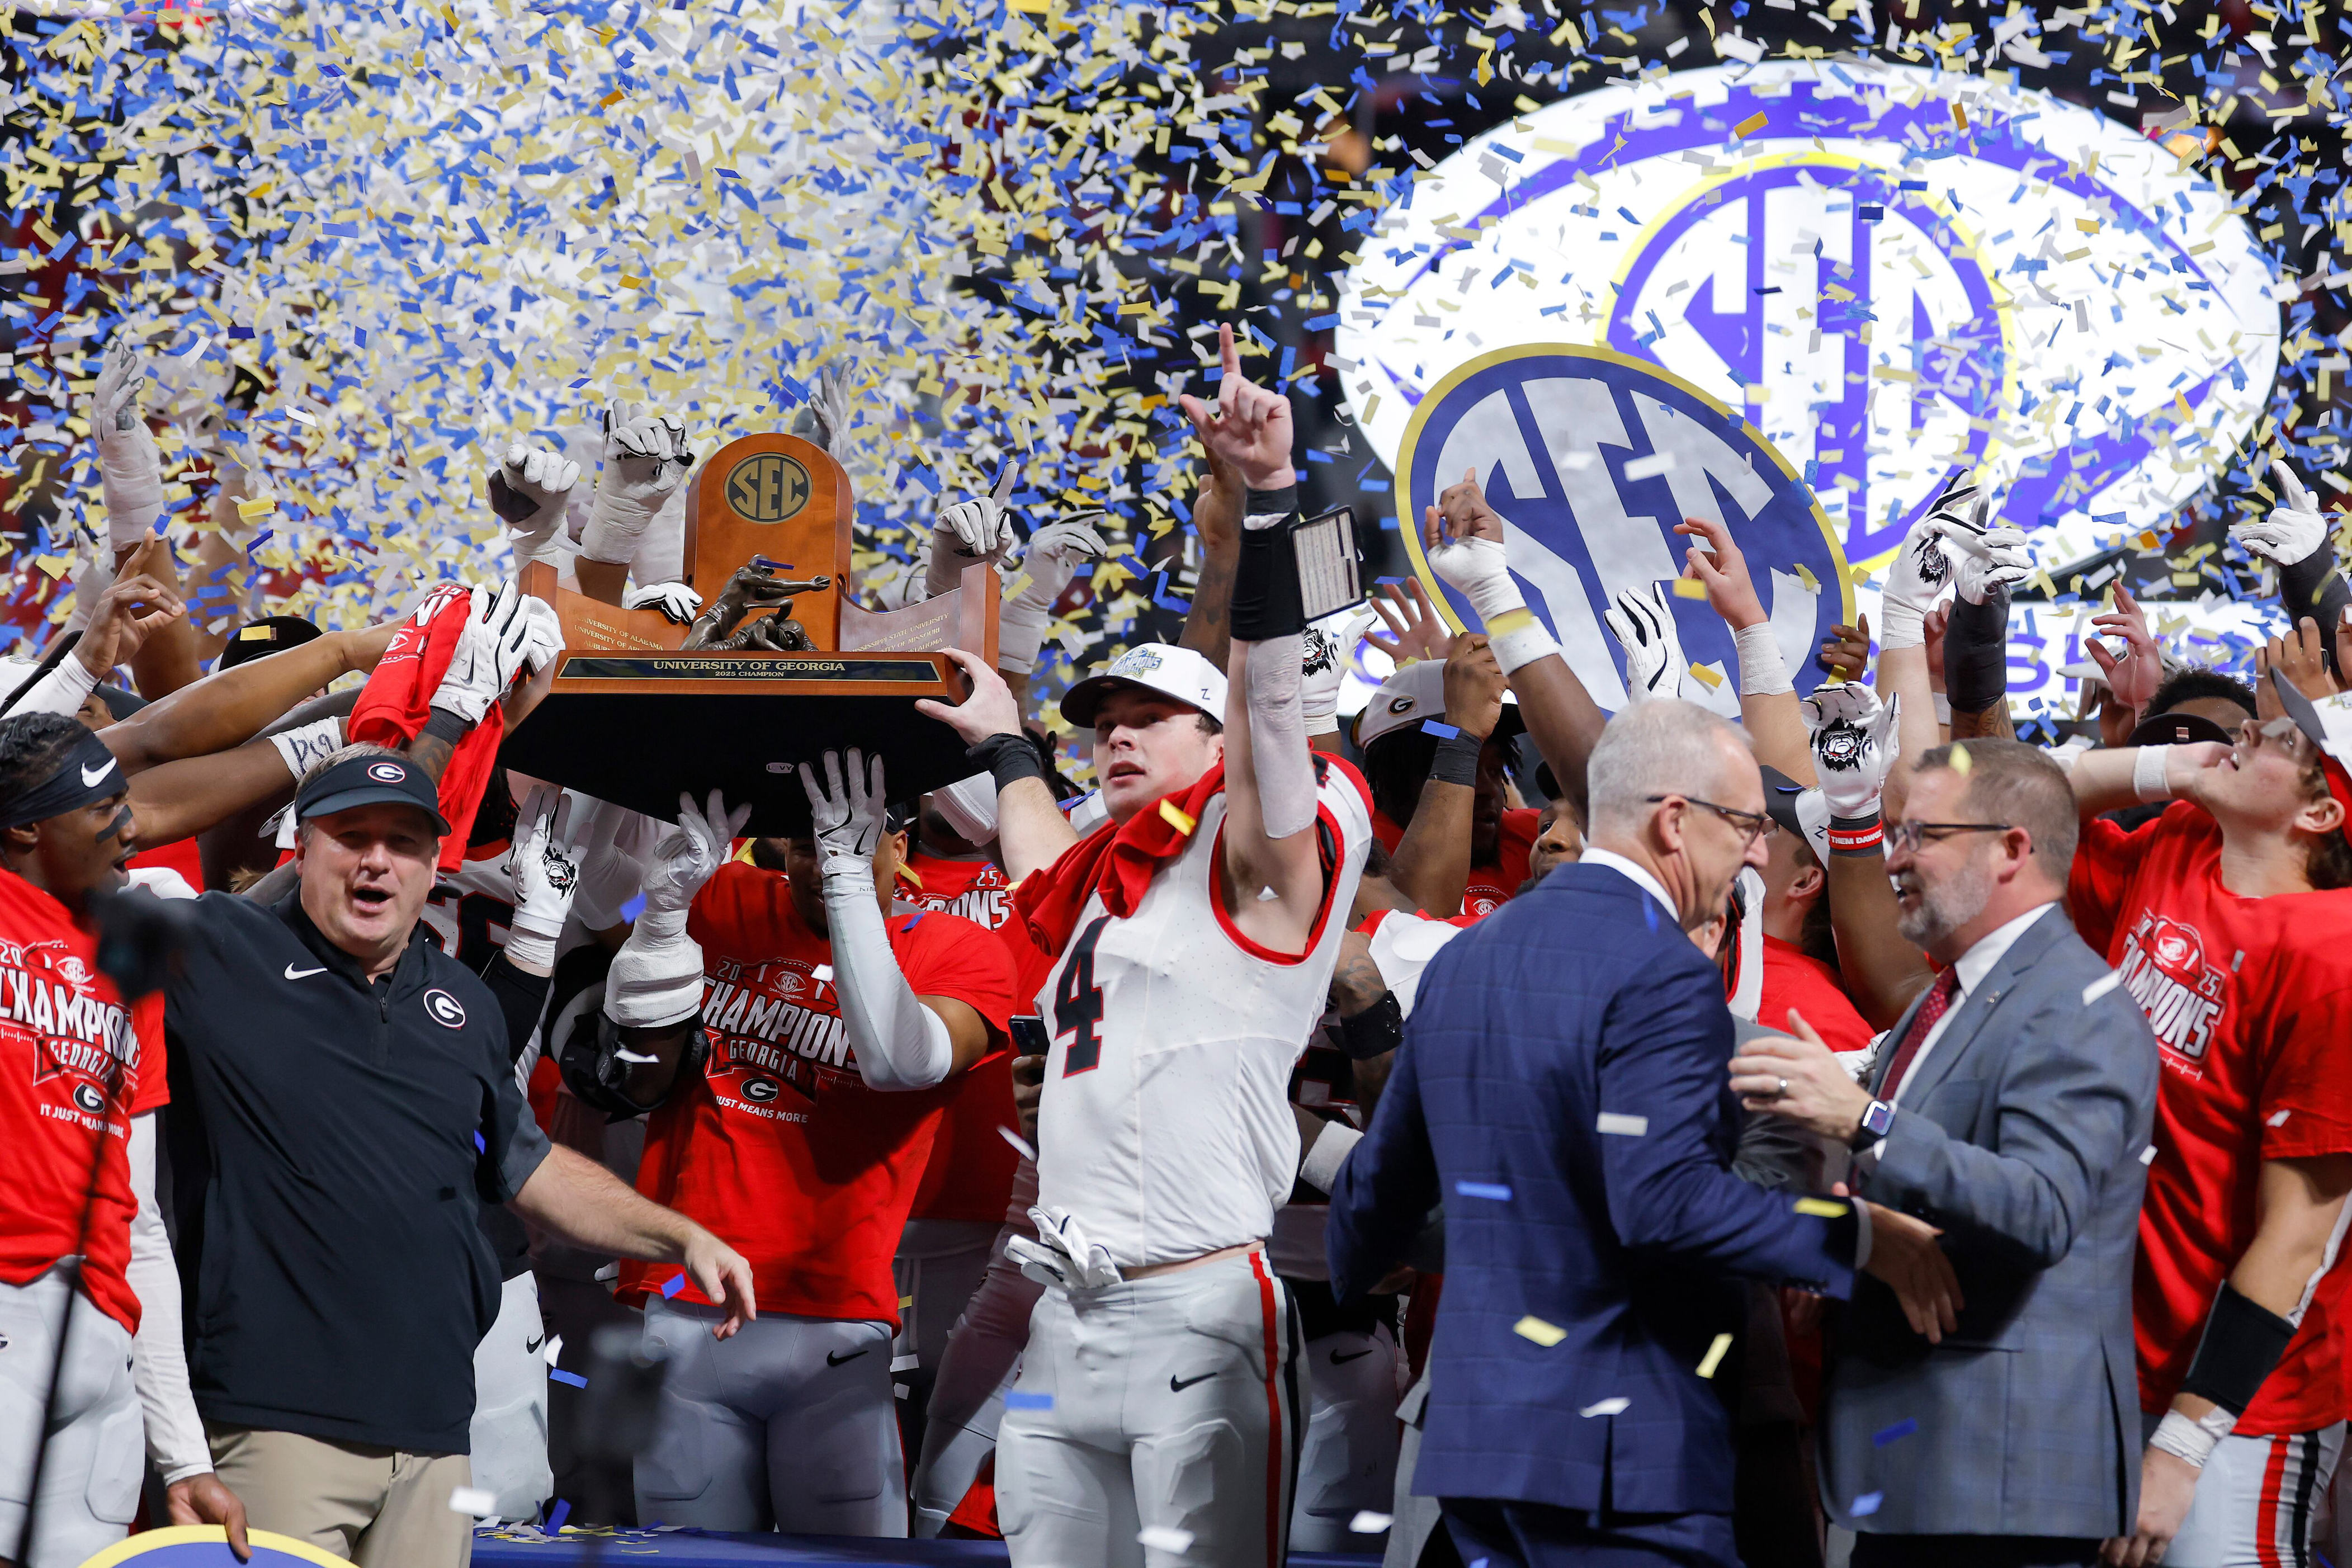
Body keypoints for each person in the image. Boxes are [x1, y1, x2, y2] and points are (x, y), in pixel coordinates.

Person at [917, 322, 1373, 1567]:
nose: (1118, 735)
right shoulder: (1099, 877)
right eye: (1105, 719)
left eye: (1151, 718)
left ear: (1213, 744)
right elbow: (1029, 851)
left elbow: (1271, 701)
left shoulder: (1265, 857)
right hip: (1064, 1318)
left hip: (1196, 1306)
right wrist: (1009, 738)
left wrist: (1271, 498)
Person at [160, 635, 754, 1568]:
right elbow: (125, 800)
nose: (377, 865)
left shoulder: (460, 1001)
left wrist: (676, 1235)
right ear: (299, 847)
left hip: (437, 1431)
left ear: (435, 864)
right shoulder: (217, 951)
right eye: (350, 838)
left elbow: (524, 1161)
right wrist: (418, 703)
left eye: (403, 844)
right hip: (273, 1426)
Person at [1327, 698, 1956, 1568]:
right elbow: (1662, 1204)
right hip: (1619, 1459)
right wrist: (1857, 1237)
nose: (1758, 850)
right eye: (1742, 824)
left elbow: (1371, 1199)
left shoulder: (1470, 955)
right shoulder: (1662, 972)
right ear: (1672, 822)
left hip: (1480, 1447)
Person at [1731, 734, 2159, 1567]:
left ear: (2011, 849)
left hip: (2003, 1480)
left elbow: (2041, 1210)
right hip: (1931, 1464)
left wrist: (1865, 1121)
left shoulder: (2076, 1005)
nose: (1895, 858)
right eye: (1895, 833)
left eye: (1922, 835)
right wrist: (1853, 1239)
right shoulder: (1951, 993)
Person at [570, 758, 1012, 1538]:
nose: (821, 860)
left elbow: (904, 1063)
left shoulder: (958, 949)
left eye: (851, 840)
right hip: (685, 1300)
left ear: (901, 848)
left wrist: (848, 892)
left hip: (833, 1315)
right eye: (806, 844)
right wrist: (664, 891)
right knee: (689, 1563)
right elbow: (607, 895)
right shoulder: (732, 900)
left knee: (849, 1566)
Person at [2061, 670, 2352, 1568]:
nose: (2254, 734)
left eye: (2288, 743)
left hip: (2245, 1396)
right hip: (2112, 1348)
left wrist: (2184, 1447)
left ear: (2319, 817)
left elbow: (2299, 1238)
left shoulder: (2332, 957)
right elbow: (2000, 789)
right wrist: (2157, 765)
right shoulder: (2185, 838)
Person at [0, 712, 247, 1568]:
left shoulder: (126, 959)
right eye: (102, 805)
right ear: (26, 825)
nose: (132, 826)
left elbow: (141, 1223)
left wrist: (183, 1455)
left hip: (106, 1352)